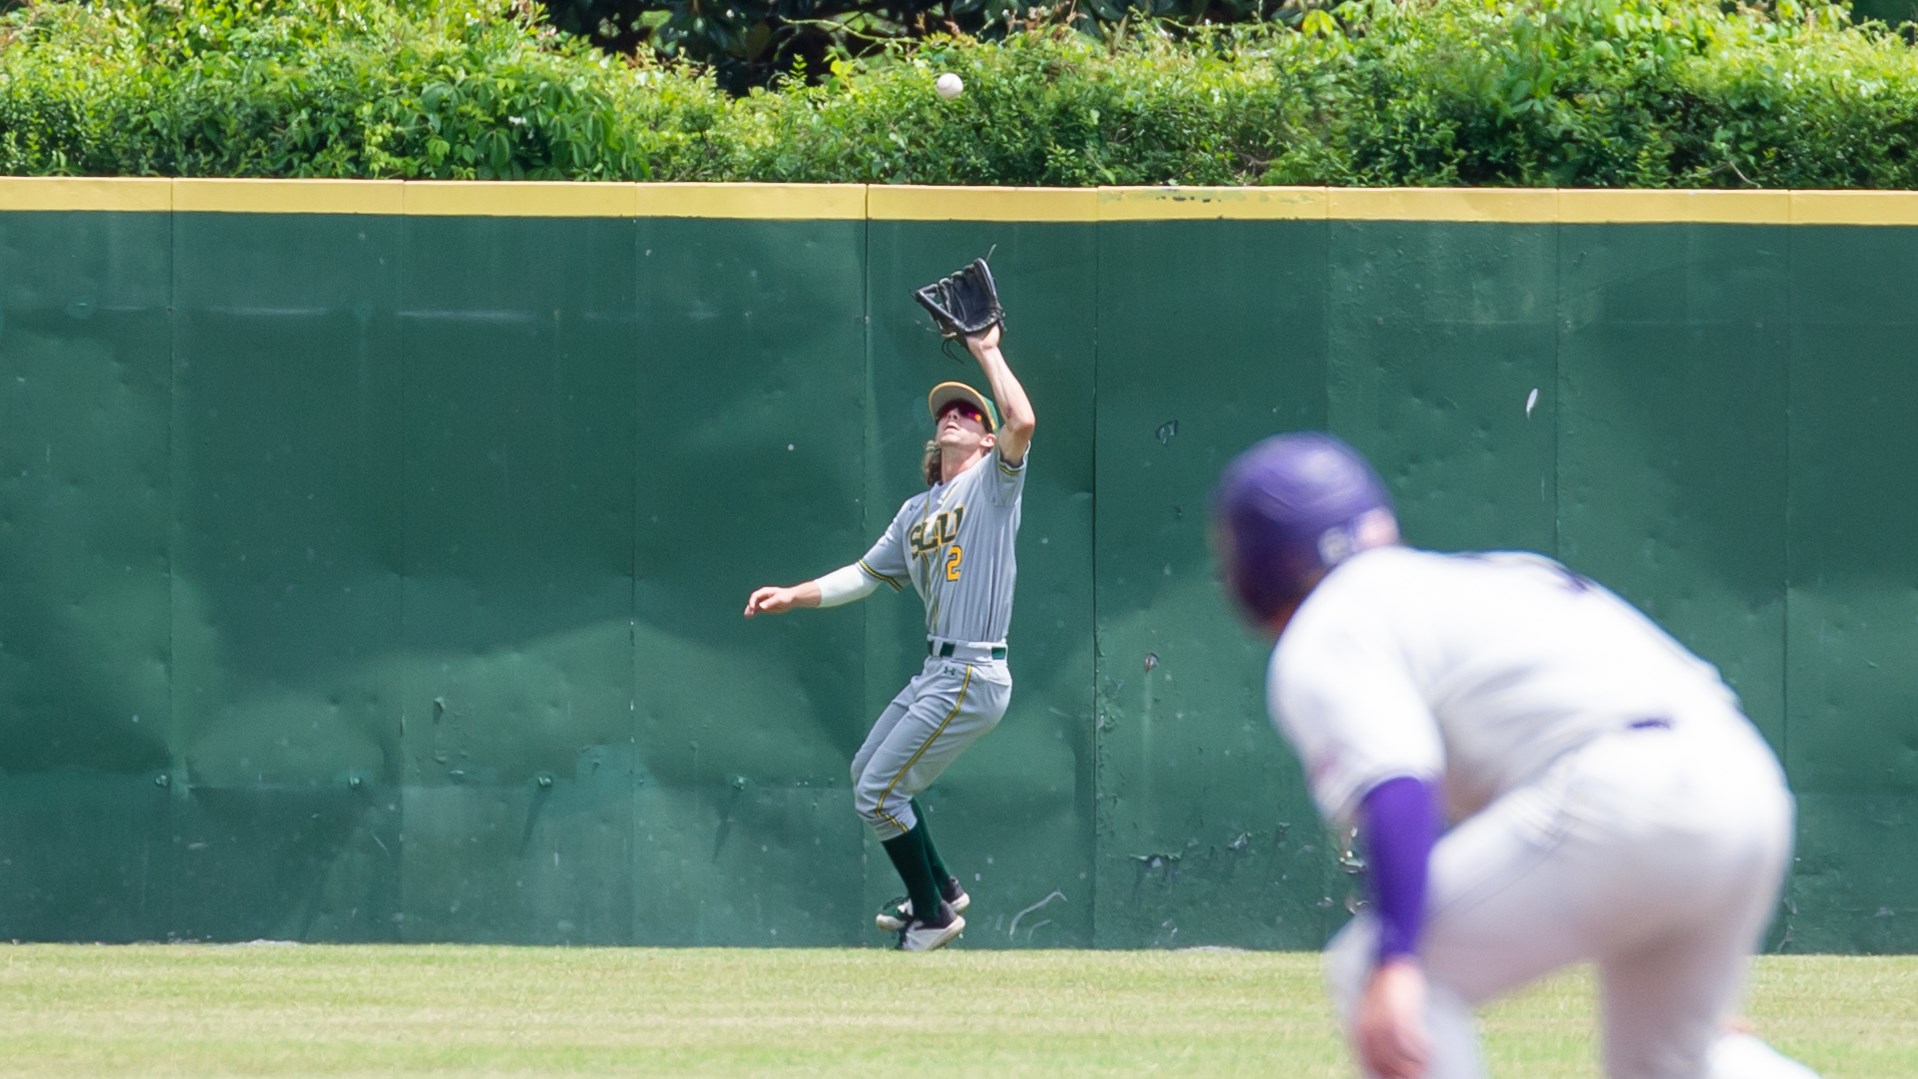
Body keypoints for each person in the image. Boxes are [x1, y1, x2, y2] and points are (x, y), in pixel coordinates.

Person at [1211, 431, 1820, 1079]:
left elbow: (1398, 787)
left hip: (1625, 792)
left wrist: (1396, 960)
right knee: (1678, 1064)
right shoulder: (1485, 577)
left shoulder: (1331, 621)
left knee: (1373, 965)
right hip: (1742, 780)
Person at [743, 324, 1035, 952]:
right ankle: (942, 889)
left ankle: (930, 917)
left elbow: (1024, 421)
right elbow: (864, 575)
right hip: (939, 671)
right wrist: (795, 594)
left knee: (880, 794)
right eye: (945, 412)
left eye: (967, 412)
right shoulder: (916, 511)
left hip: (973, 672)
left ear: (986, 438)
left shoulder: (992, 486)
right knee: (864, 775)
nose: (953, 416)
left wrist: (986, 350)